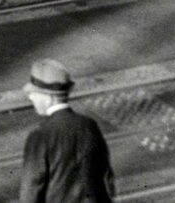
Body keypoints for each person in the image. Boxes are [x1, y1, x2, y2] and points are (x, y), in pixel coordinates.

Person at [18, 58, 115, 203]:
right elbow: (106, 174)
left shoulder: (39, 136)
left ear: (48, 98)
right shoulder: (89, 125)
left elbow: (30, 189)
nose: (31, 97)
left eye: (34, 93)